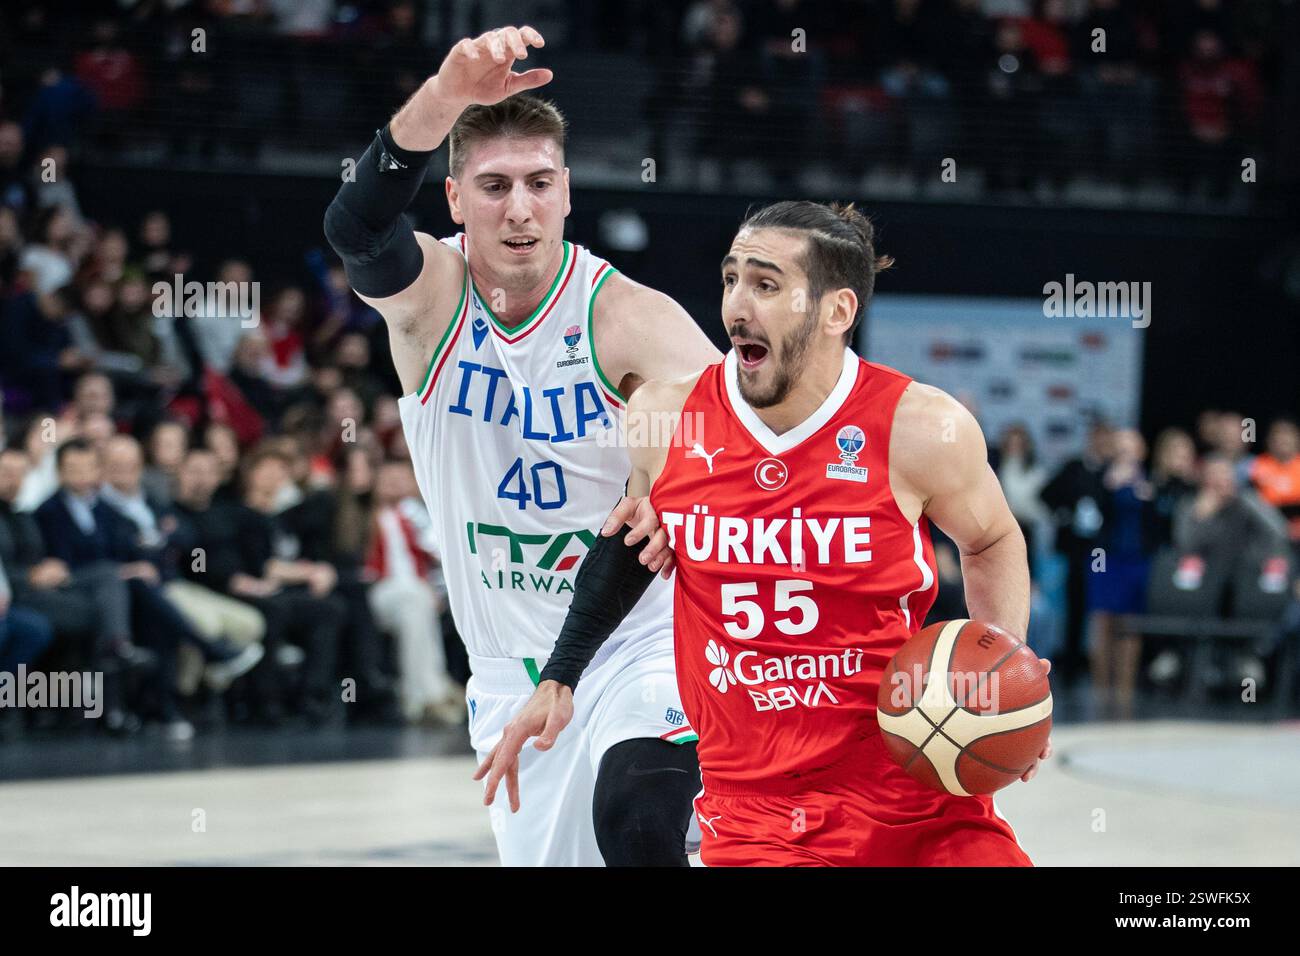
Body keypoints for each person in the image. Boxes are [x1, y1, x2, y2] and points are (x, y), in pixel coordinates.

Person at [479, 200, 1051, 866]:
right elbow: (629, 543)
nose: (735, 306)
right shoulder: (666, 417)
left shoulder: (922, 427)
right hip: (758, 816)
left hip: (912, 787)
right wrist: (559, 677)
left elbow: (990, 540)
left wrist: (1009, 676)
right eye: (731, 279)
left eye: (766, 284)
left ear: (837, 312)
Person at [324, 25, 721, 866]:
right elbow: (357, 226)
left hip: (639, 643)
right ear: (456, 199)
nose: (520, 207)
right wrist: (443, 97)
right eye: (495, 184)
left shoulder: (632, 321)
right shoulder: (432, 298)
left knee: (641, 823)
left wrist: (681, 482)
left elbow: (742, 459)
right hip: (506, 662)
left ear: (568, 192)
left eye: (540, 183)